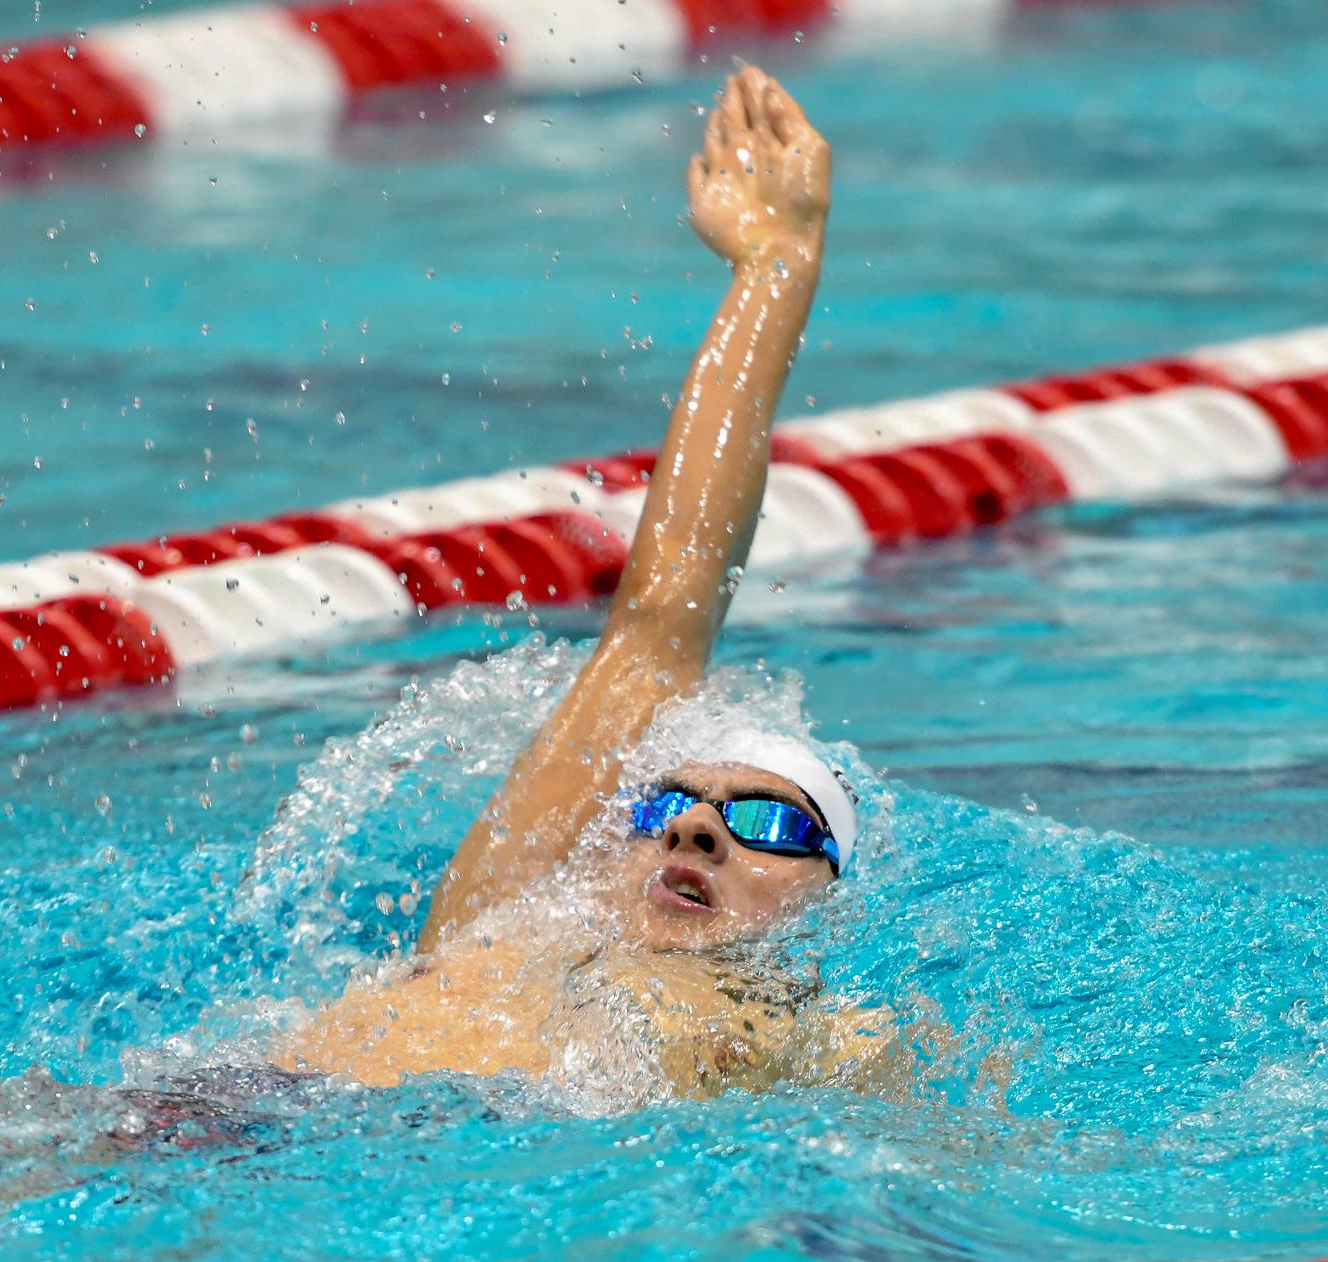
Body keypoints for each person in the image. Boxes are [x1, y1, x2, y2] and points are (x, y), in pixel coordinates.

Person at [280, 66, 903, 1100]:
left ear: (826, 902)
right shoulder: (505, 922)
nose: (696, 827)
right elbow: (659, 625)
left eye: (773, 826)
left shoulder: (809, 1046)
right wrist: (771, 268)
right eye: (668, 801)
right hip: (202, 1122)